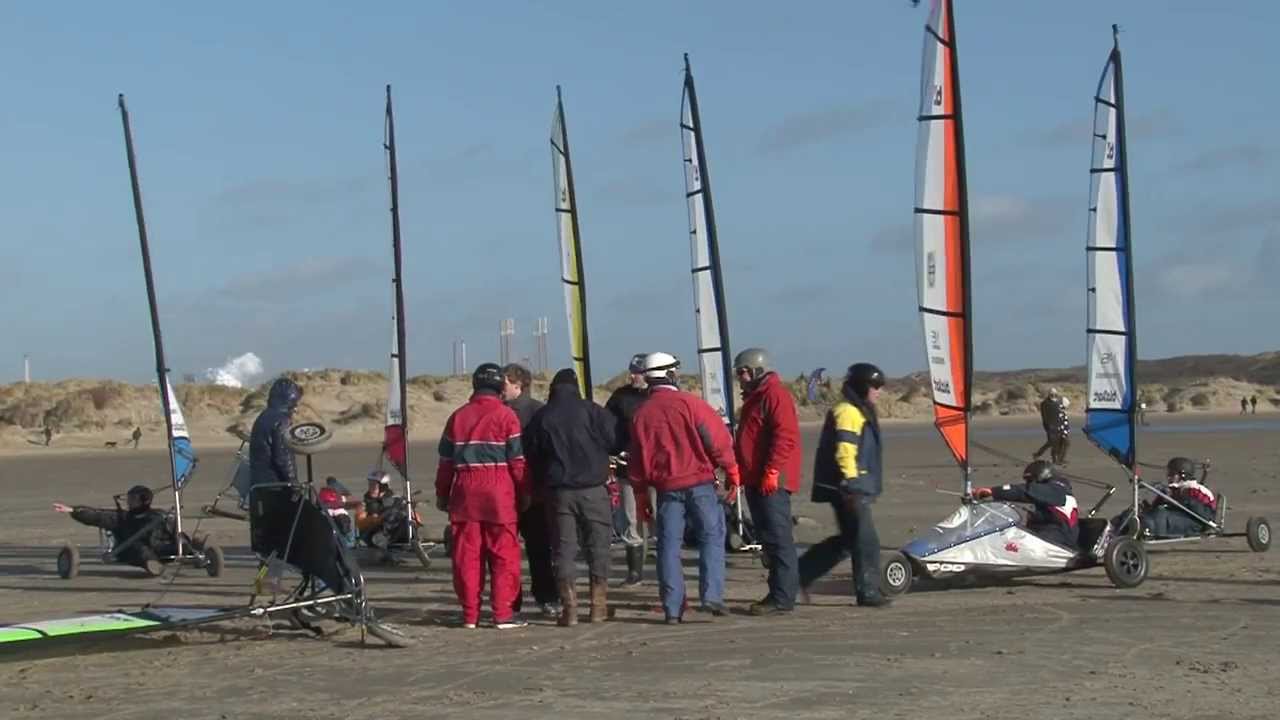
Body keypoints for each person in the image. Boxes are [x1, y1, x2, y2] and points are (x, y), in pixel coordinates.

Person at [628, 352, 739, 623]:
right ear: (670, 375)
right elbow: (717, 440)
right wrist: (731, 470)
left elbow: (637, 459)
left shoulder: (641, 414)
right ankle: (711, 596)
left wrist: (641, 493)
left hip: (665, 489)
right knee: (711, 537)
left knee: (668, 545)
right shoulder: (691, 404)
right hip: (699, 483)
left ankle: (672, 608)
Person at [436, 363, 530, 630]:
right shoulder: (507, 416)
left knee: (467, 557)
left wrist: (443, 494)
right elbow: (518, 462)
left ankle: (470, 615)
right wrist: (524, 493)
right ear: (501, 387)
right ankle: (502, 614)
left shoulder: (457, 417)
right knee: (504, 555)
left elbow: (445, 463)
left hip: (465, 492)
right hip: (499, 492)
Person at [524, 368, 619, 626]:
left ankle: (570, 609)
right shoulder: (593, 411)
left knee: (563, 550)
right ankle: (598, 607)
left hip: (558, 492)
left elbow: (531, 453)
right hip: (593, 488)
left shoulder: (543, 416)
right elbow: (614, 441)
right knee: (598, 546)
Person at [798, 363, 892, 608]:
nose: (879, 391)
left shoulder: (858, 410)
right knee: (866, 541)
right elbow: (845, 451)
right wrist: (851, 484)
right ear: (863, 386)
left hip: (851, 487)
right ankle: (868, 591)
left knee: (849, 541)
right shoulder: (848, 411)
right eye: (875, 386)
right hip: (849, 489)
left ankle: (798, 574)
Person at [731, 347, 802, 616]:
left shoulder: (774, 395)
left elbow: (785, 436)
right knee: (769, 539)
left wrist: (772, 471)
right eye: (739, 372)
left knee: (778, 538)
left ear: (757, 370)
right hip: (756, 479)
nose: (741, 377)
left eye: (744, 371)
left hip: (772, 481)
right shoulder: (755, 398)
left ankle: (782, 598)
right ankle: (778, 592)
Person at [501, 362, 559, 618]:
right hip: (506, 490)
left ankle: (545, 596)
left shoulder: (538, 412)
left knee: (538, 548)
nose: (500, 389)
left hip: (533, 491)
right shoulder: (499, 411)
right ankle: (512, 599)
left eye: (504, 383)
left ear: (518, 385)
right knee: (507, 550)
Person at [604, 353, 652, 586]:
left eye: (639, 372)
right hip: (628, 468)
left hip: (657, 470)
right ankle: (635, 572)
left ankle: (668, 571)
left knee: (662, 520)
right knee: (630, 520)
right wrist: (612, 453)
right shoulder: (620, 398)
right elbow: (607, 427)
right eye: (632, 371)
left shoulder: (660, 396)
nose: (634, 376)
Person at [53, 485, 176, 575]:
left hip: (159, 547)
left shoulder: (158, 515)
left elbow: (172, 532)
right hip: (129, 550)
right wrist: (74, 510)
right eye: (129, 498)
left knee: (179, 542)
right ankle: (152, 565)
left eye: (132, 499)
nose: (128, 501)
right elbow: (97, 516)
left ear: (143, 501)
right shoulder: (122, 517)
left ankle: (193, 552)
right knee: (140, 549)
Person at [248, 377, 304, 553]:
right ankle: (272, 572)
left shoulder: (263, 417)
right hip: (275, 485)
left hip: (259, 483)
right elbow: (282, 457)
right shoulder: (281, 421)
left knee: (266, 531)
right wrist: (294, 483)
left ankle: (266, 568)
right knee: (283, 531)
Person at [973, 460, 1079, 549]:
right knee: (1002, 536)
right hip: (1047, 534)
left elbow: (1025, 491)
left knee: (1008, 547)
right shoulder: (1052, 492)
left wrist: (993, 491)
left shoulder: (1056, 490)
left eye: (1030, 480)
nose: (1029, 483)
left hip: (1058, 539)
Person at [1123, 457, 1216, 538]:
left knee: (1159, 513)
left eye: (1172, 474)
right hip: (1172, 518)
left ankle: (1141, 531)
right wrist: (1147, 507)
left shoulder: (1196, 490)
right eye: (1168, 474)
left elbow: (1207, 515)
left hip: (1194, 523)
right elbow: (1155, 507)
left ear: (1182, 475)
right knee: (1134, 512)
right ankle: (1115, 528)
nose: (1168, 477)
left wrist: (1181, 499)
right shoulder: (1171, 490)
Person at [1032, 389, 1070, 465]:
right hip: (1051, 427)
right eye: (1052, 394)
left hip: (1060, 426)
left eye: (1055, 394)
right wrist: (1047, 427)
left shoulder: (1059, 402)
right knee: (1053, 443)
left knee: (1063, 442)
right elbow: (1044, 417)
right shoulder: (1045, 404)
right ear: (1049, 394)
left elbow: (1063, 413)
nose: (1053, 395)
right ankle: (1056, 459)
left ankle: (1058, 459)